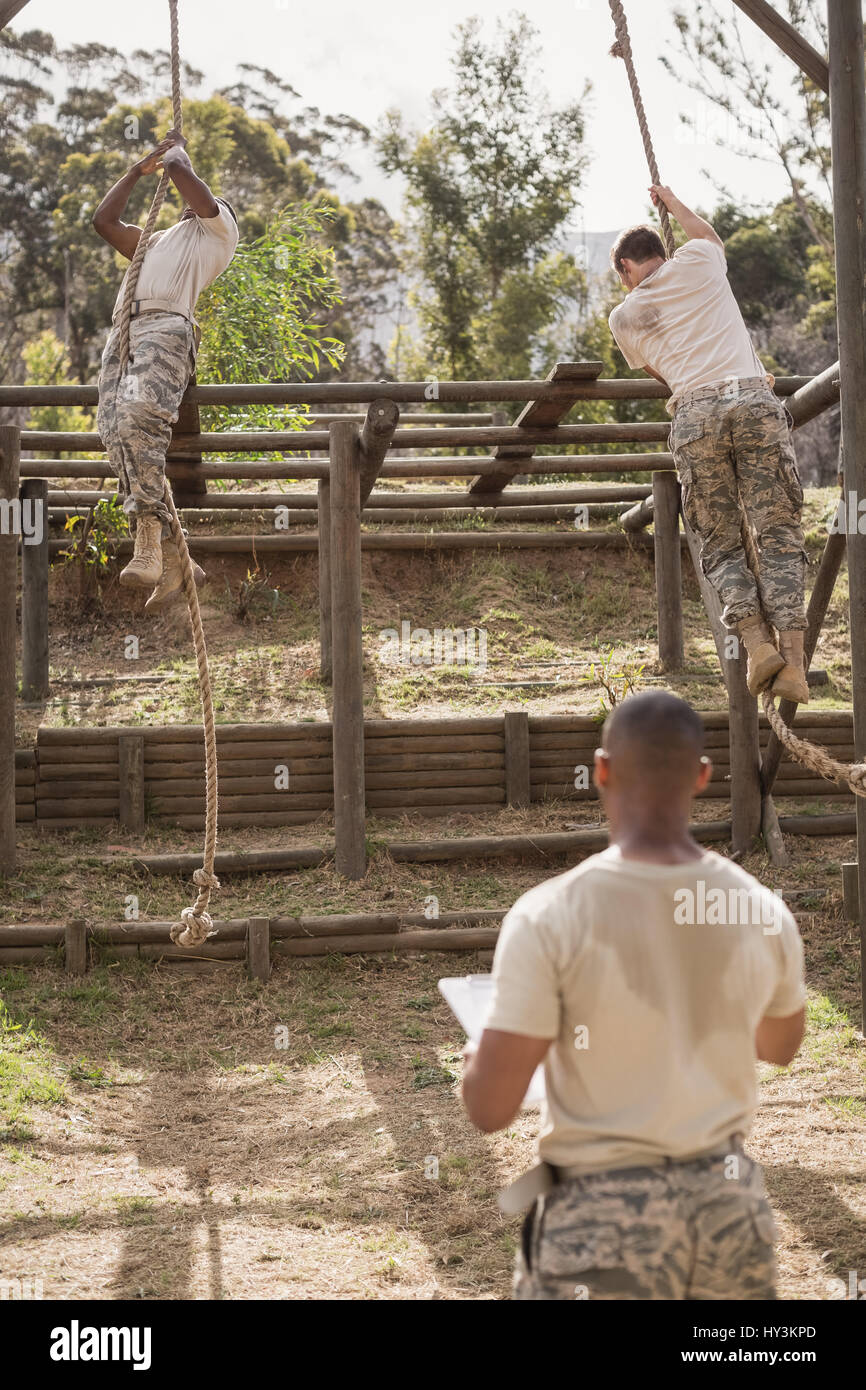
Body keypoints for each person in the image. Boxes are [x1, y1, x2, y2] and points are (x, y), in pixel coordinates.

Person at [462, 691, 806, 1300]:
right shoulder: (762, 909)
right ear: (702, 776)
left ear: (601, 769)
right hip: (729, 1212)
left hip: (601, 1220)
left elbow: (490, 1108)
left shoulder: (549, 915)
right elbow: (781, 1044)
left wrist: (478, 1057)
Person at [608, 186, 809, 704]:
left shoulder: (624, 316)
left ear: (628, 266)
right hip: (752, 397)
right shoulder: (699, 258)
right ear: (662, 248)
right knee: (779, 531)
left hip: (695, 414)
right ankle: (794, 662)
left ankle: (756, 643)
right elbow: (708, 234)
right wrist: (670, 199)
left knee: (721, 541)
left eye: (621, 274)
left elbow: (662, 372)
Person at [93, 131, 239, 611]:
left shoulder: (214, 237)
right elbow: (104, 220)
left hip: (165, 328)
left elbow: (191, 185)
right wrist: (139, 169)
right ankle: (176, 553)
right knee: (114, 430)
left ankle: (150, 538)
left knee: (139, 419)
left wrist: (176, 158)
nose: (184, 202)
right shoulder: (151, 242)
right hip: (124, 333)